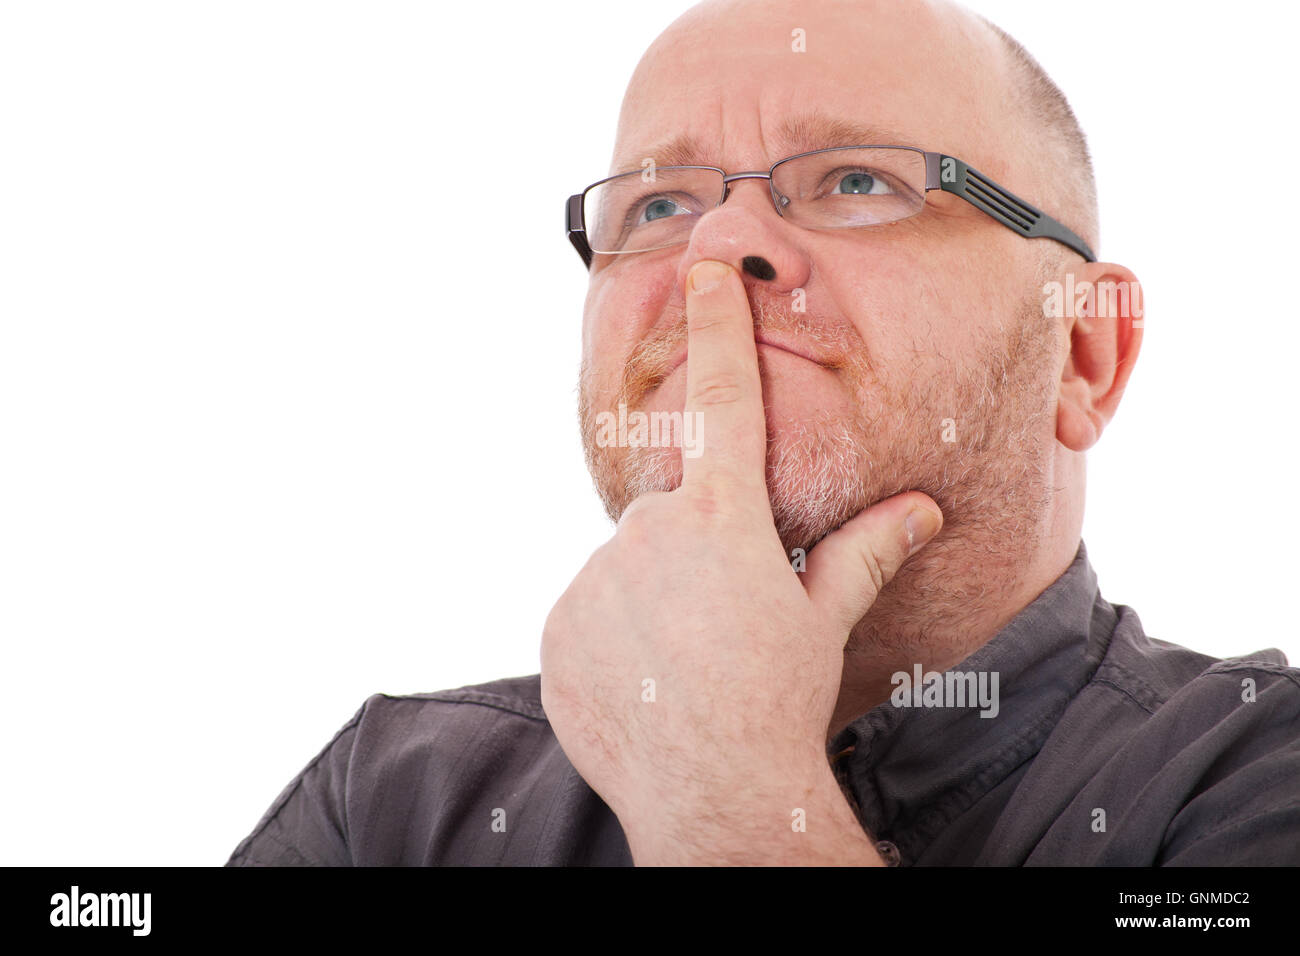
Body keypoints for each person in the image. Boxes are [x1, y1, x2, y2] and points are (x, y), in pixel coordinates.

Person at [226, 0, 1300, 866]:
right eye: (658, 206)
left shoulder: (1264, 779)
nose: (718, 246)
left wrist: (723, 787)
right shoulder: (393, 807)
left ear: (1084, 352)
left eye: (858, 180)